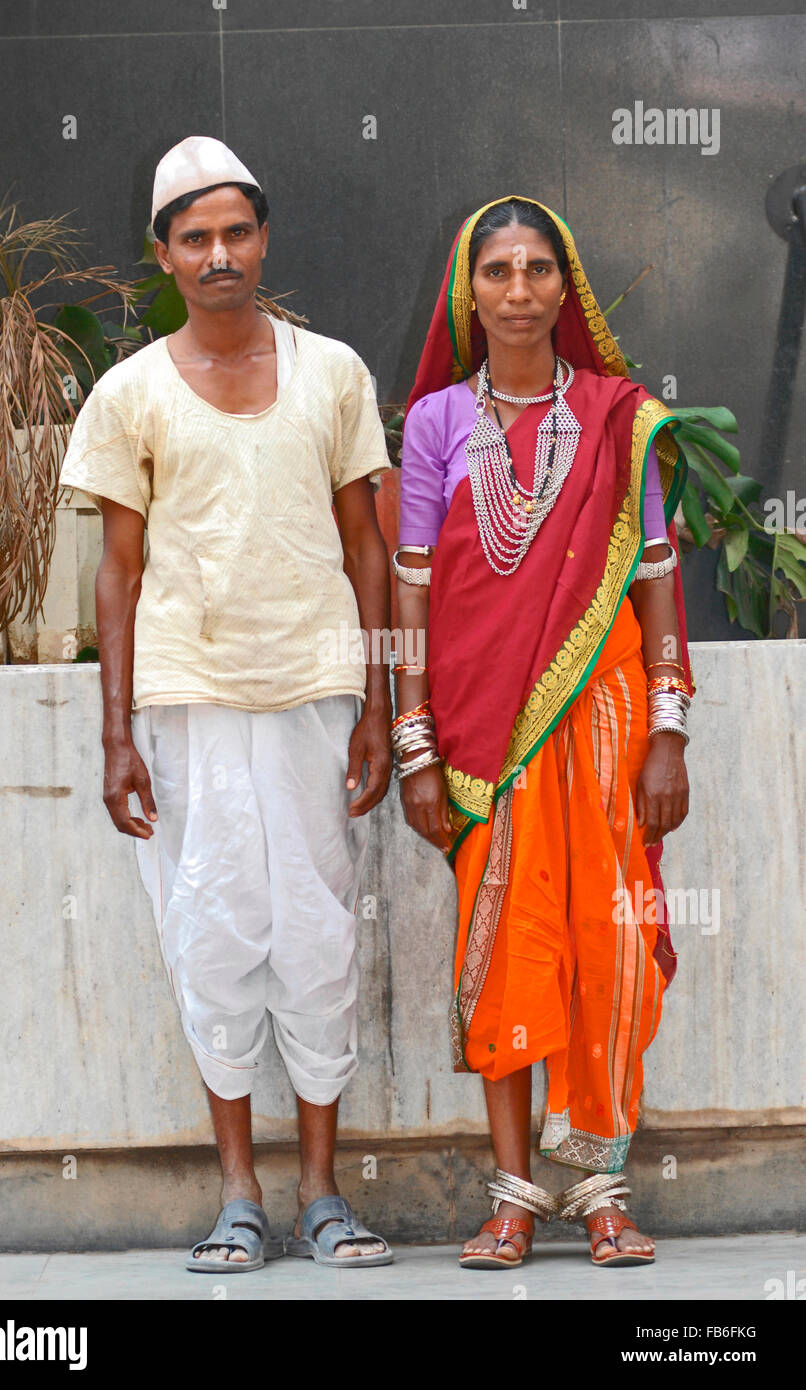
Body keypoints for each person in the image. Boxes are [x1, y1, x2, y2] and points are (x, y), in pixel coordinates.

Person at [58, 136, 394, 1271]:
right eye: (193, 238)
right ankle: (239, 1196)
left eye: (235, 232)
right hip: (187, 702)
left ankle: (324, 1195)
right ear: (163, 254)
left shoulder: (335, 372)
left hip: (316, 688)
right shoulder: (130, 391)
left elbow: (368, 544)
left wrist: (382, 699)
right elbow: (117, 570)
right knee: (213, 939)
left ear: (264, 240)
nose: (217, 255)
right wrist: (115, 736)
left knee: (318, 939)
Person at [394, 195, 694, 1269]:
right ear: (467, 293)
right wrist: (414, 744)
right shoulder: (432, 426)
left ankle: (605, 1193)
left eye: (536, 269)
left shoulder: (622, 416)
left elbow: (655, 583)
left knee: (604, 950)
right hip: (481, 739)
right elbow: (413, 597)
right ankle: (515, 1201)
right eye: (497, 271)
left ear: (567, 287)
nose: (517, 289)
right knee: (509, 960)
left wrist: (669, 731)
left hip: (606, 720)